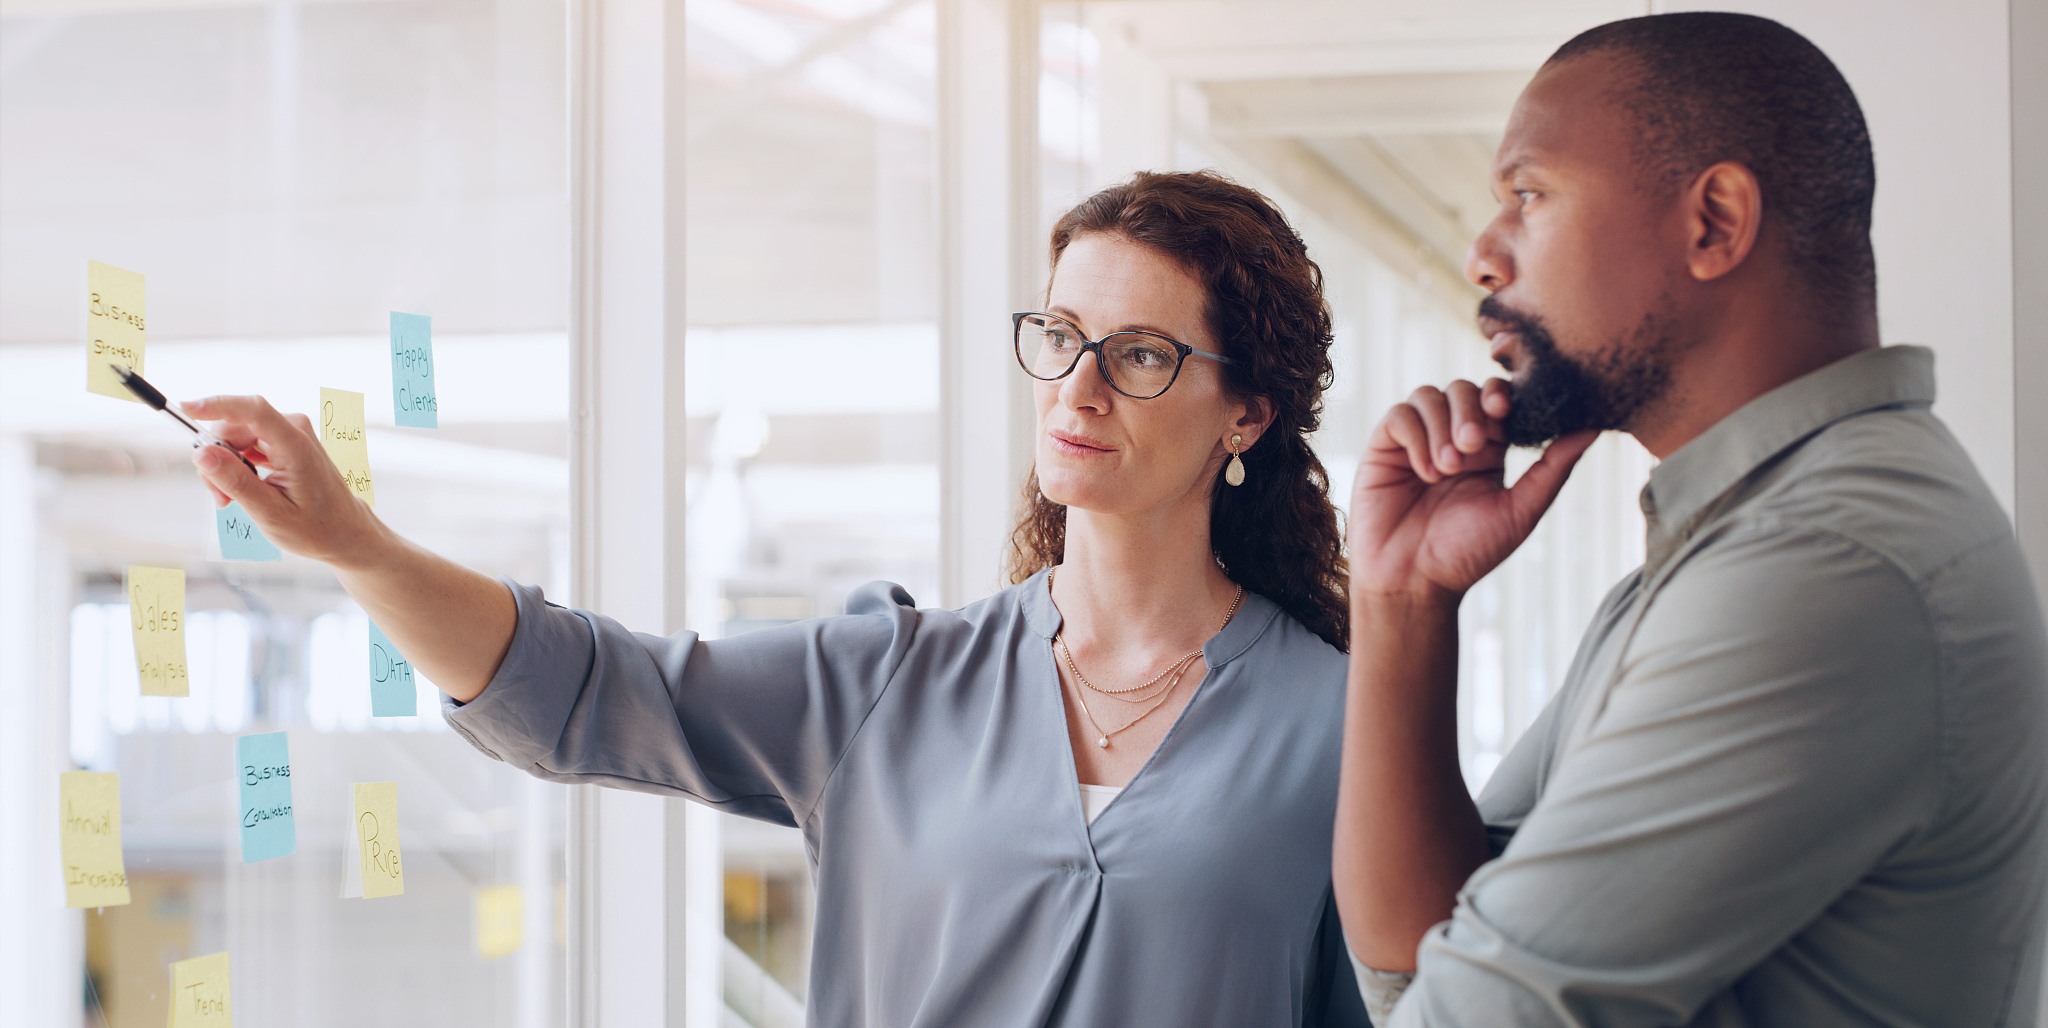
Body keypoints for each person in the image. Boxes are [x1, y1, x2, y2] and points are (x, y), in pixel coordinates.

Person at [186, 171, 1368, 1027]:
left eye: (1140, 353)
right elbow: (577, 687)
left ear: (1246, 411)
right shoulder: (889, 681)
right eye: (1059, 336)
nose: (1078, 385)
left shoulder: (1341, 730)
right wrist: (351, 540)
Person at [1334, 13, 2048, 1027]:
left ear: (1712, 221)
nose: (1480, 259)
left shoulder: (1821, 564)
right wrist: (1401, 598)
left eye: (1525, 196)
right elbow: (1423, 956)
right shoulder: (1723, 550)